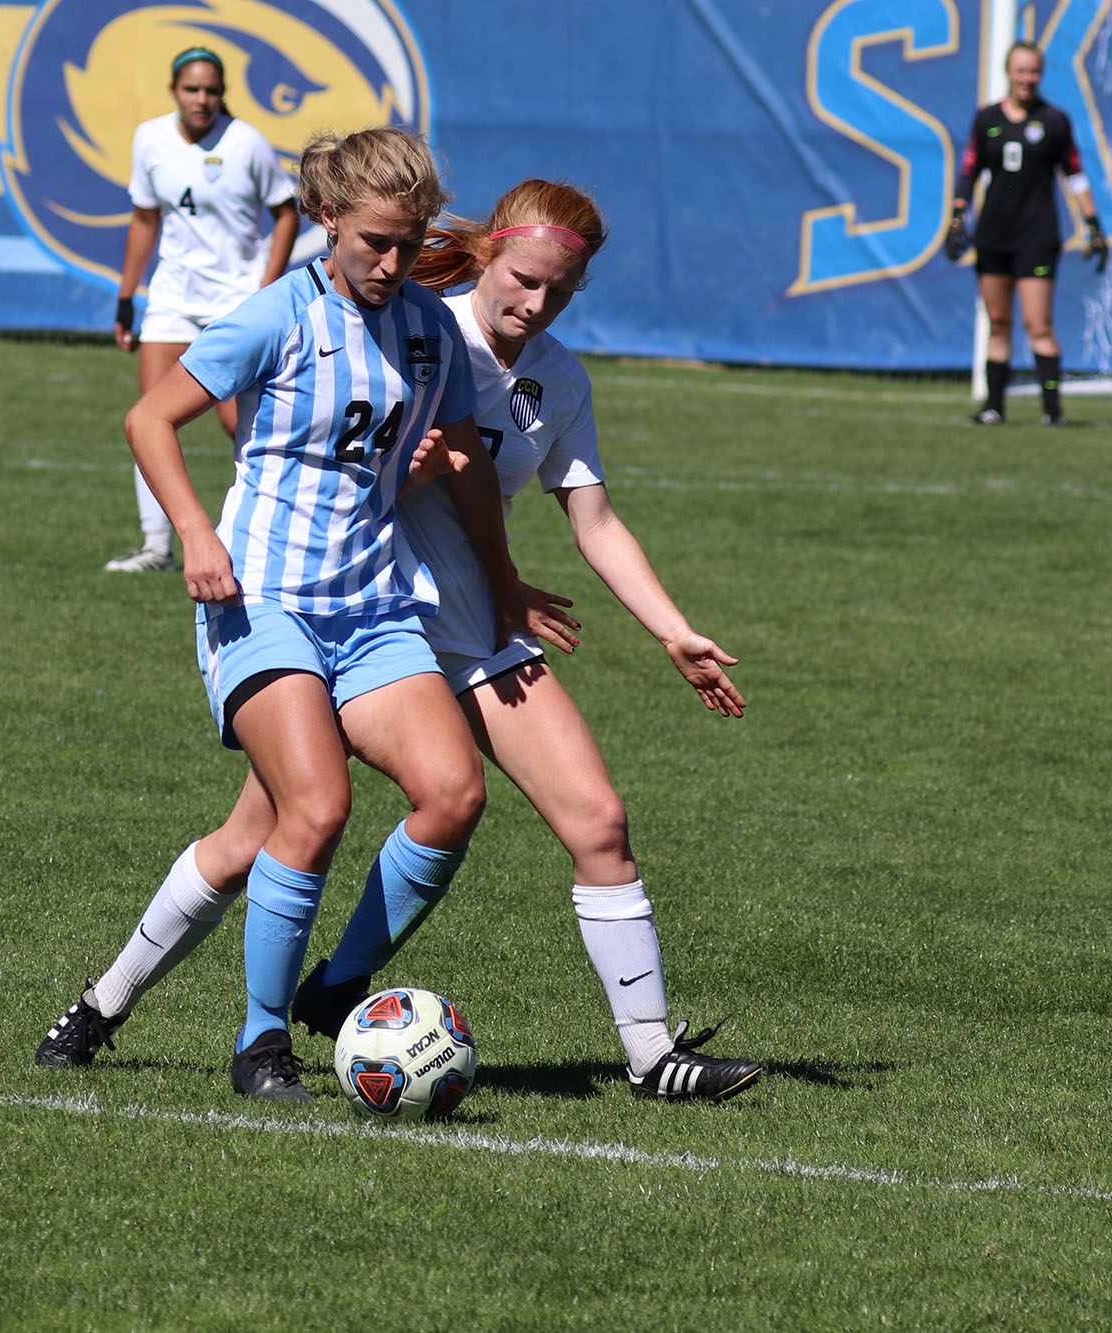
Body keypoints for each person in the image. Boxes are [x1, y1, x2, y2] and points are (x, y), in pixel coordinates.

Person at [40, 179, 763, 1105]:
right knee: (259, 836)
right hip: (368, 611)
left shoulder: (554, 375)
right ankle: (112, 1001)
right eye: (523, 280)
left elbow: (589, 515)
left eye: (559, 292)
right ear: (487, 254)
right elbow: (287, 428)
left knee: (596, 820)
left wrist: (670, 630)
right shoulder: (414, 318)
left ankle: (641, 1051)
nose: (533, 305)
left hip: (462, 625)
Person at [40, 127, 529, 1104]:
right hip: (260, 602)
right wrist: (194, 534)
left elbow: (463, 461)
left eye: (408, 241)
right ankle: (261, 1046)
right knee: (315, 810)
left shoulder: (429, 329)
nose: (391, 262)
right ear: (327, 221)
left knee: (446, 796)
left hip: (370, 608)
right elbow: (149, 421)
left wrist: (502, 578)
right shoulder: (275, 315)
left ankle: (293, 987)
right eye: (374, 242)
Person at [104, 46, 300, 573]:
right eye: (192, 89)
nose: (202, 100)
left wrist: (266, 287)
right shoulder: (150, 138)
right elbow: (145, 219)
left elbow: (286, 212)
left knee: (238, 421)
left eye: (212, 90)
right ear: (174, 90)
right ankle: (156, 548)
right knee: (151, 415)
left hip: (233, 303)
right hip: (171, 298)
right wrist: (127, 297)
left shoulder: (247, 144)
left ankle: (263, 533)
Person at [944, 41, 1107, 427]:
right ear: (1008, 72)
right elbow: (970, 171)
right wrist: (957, 218)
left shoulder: (1054, 121)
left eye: (1033, 72)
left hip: (1037, 236)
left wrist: (1093, 224)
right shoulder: (987, 120)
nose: (1027, 79)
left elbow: (1075, 173)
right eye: (1021, 71)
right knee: (998, 321)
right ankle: (993, 408)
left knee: (1038, 324)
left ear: (1041, 74)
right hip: (994, 235)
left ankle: (1052, 413)